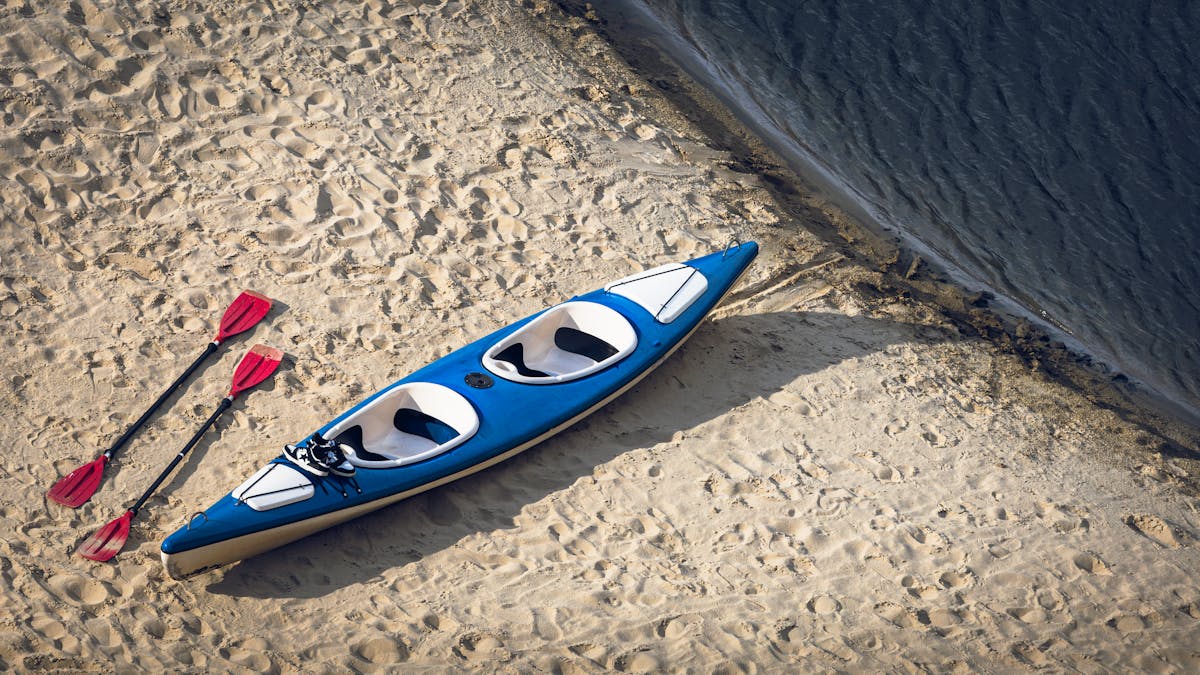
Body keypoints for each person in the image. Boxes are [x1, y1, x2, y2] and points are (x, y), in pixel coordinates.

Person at [284, 432, 356, 477]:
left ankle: (317, 462)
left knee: (322, 449)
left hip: (318, 462)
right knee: (320, 450)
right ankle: (321, 458)